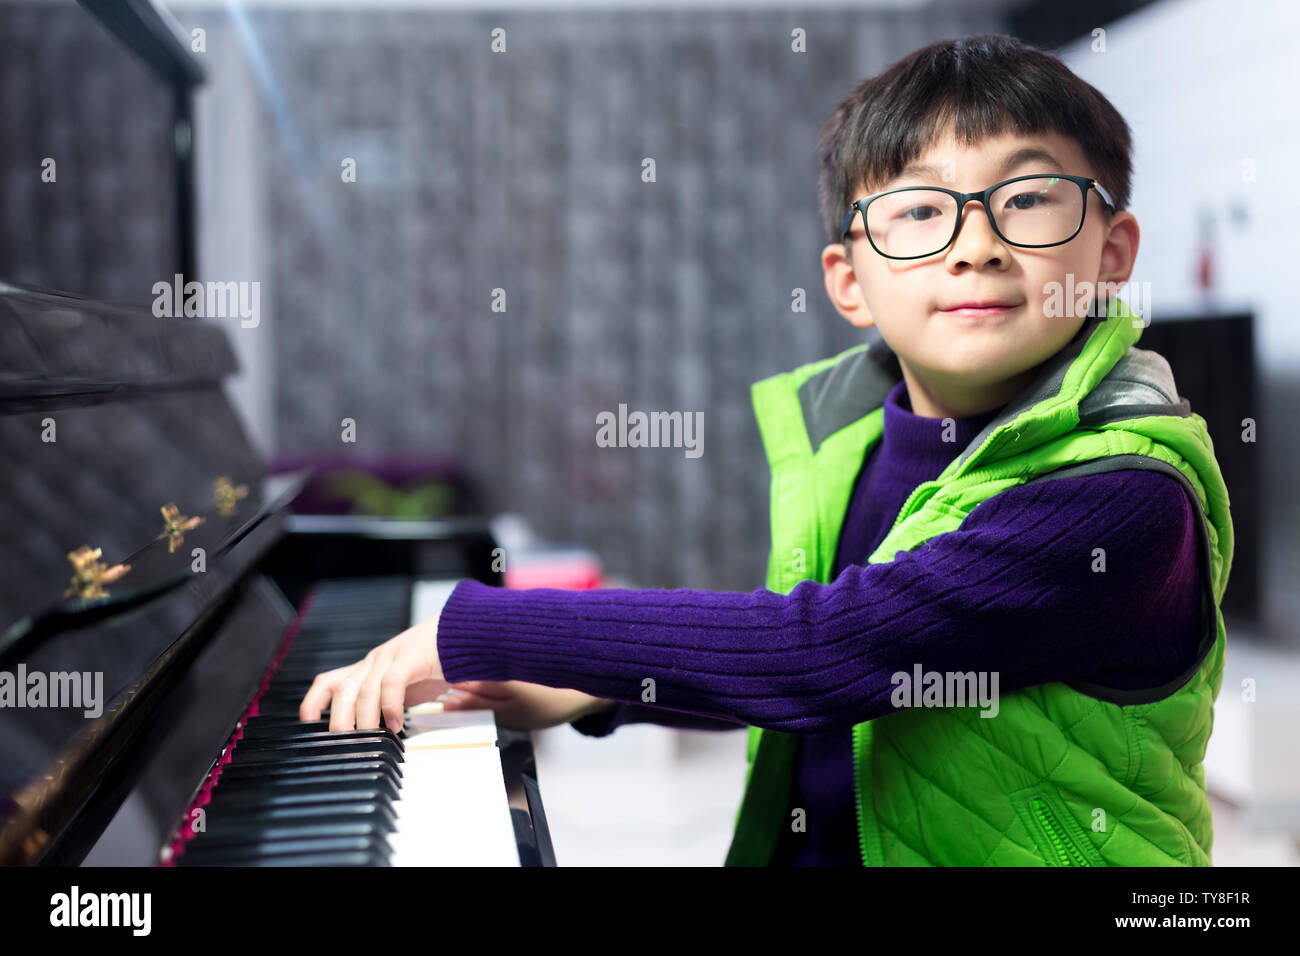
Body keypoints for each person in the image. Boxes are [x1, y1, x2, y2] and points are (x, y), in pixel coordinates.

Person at [299, 33, 1233, 867]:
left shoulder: (1121, 495)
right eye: (918, 211)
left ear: (1112, 253)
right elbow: (842, 680)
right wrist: (588, 692)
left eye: (1027, 199)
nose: (974, 246)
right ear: (848, 281)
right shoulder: (858, 442)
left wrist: (484, 627)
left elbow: (822, 650)